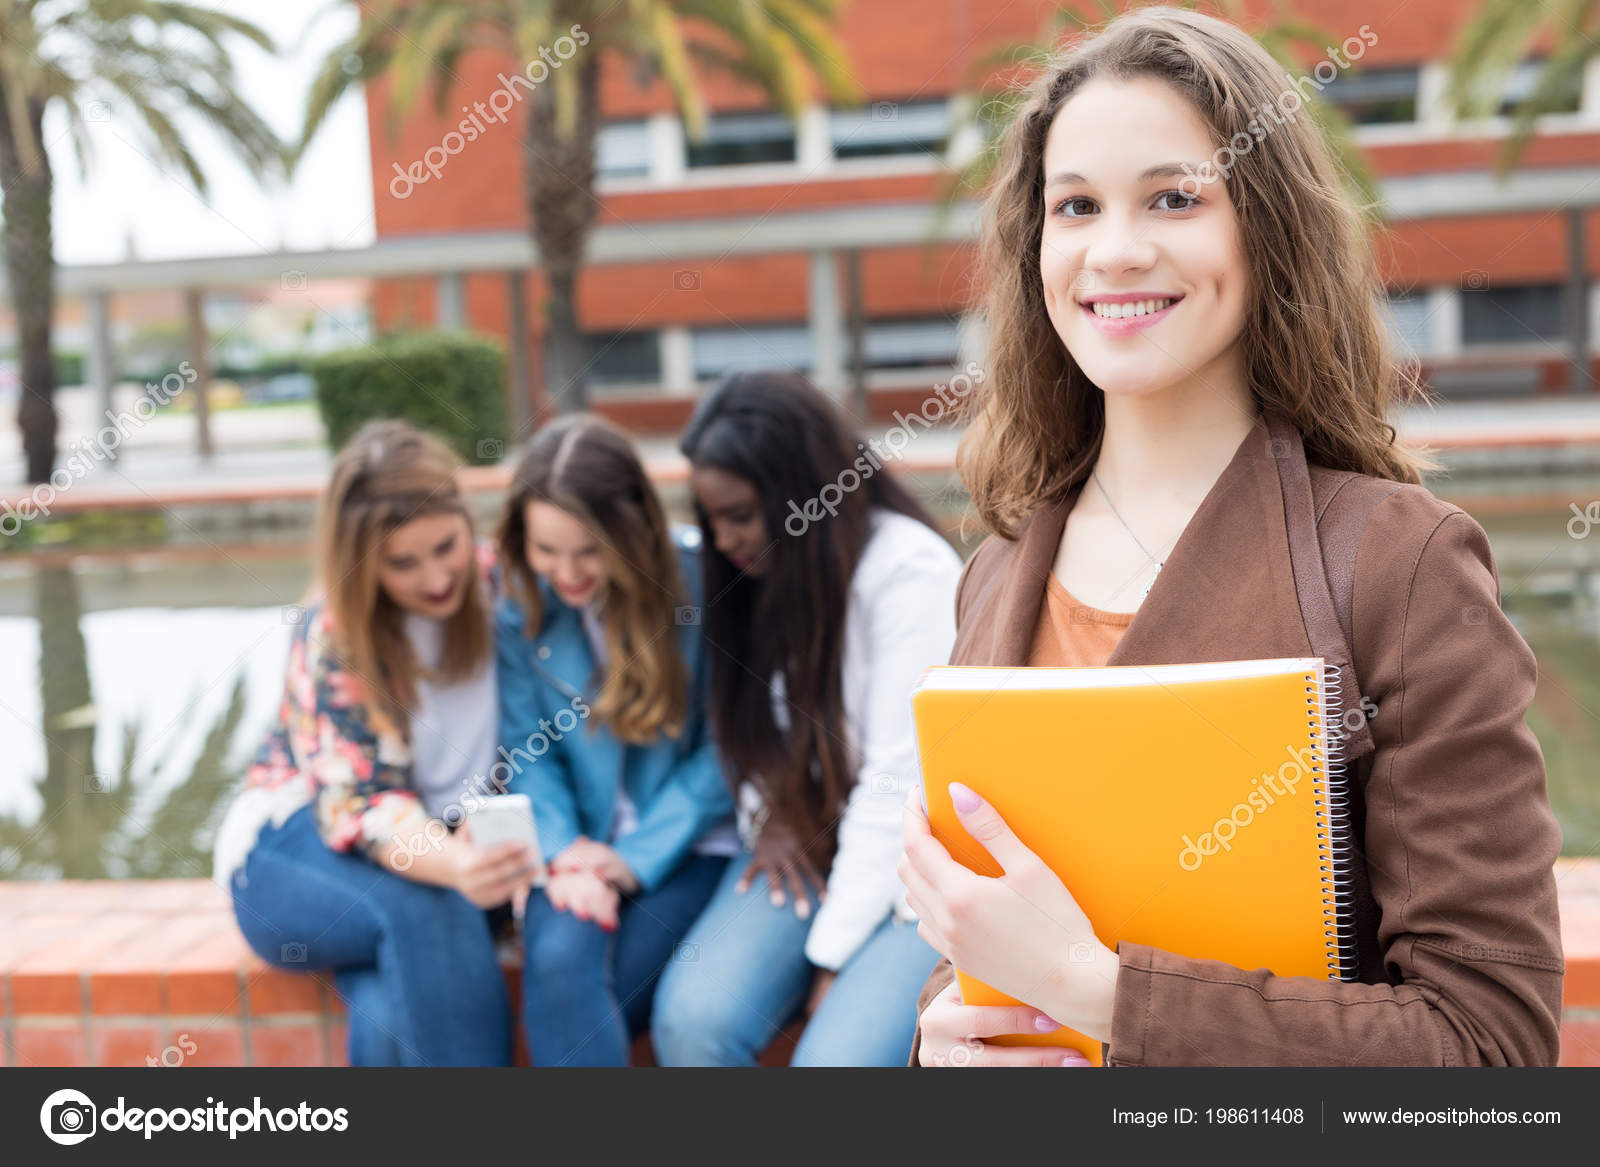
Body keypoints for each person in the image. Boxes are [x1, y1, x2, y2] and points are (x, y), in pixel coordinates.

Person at [901, 6, 1564, 1067]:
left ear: (1265, 227)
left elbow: (1491, 1047)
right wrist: (945, 1041)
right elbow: (980, 938)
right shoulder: (993, 573)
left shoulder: (1403, 564)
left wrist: (1098, 993)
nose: (1115, 251)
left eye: (1173, 197)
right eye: (1074, 206)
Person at [652, 372, 964, 1065]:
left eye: (739, 514)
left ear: (800, 492)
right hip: (816, 848)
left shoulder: (907, 573)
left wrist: (830, 956)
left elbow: (893, 787)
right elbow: (752, 732)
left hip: (919, 874)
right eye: (712, 519)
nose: (724, 538)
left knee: (833, 1065)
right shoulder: (762, 574)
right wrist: (773, 818)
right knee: (694, 1021)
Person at [216, 419, 535, 1067]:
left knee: (389, 1011)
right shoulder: (332, 632)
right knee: (428, 907)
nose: (439, 576)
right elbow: (365, 804)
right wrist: (459, 867)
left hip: (438, 848)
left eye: (447, 545)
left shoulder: (504, 586)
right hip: (292, 847)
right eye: (403, 563)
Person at [496, 415, 736, 1066]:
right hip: (572, 843)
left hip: (686, 842)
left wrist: (633, 857)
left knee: (603, 993)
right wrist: (567, 849)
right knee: (556, 959)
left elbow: (728, 746)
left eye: (589, 550)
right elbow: (527, 752)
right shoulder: (519, 608)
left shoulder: (703, 587)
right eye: (547, 550)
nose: (567, 572)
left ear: (631, 533)